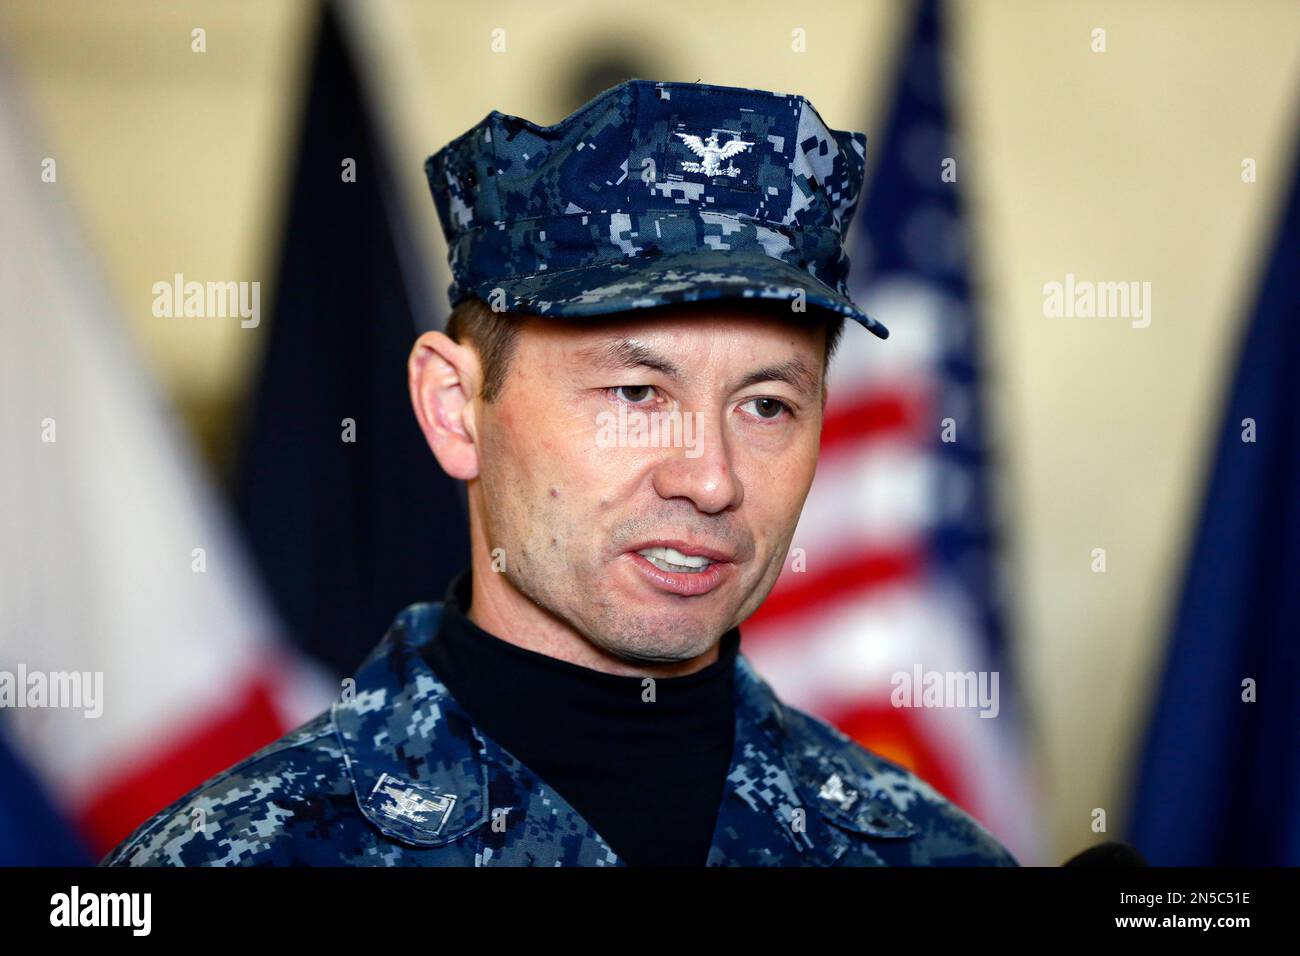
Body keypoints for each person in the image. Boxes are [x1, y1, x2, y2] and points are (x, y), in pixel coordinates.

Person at [101, 78, 1018, 867]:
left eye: (767, 405)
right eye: (634, 392)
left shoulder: (926, 851)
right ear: (457, 410)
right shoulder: (239, 853)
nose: (710, 480)